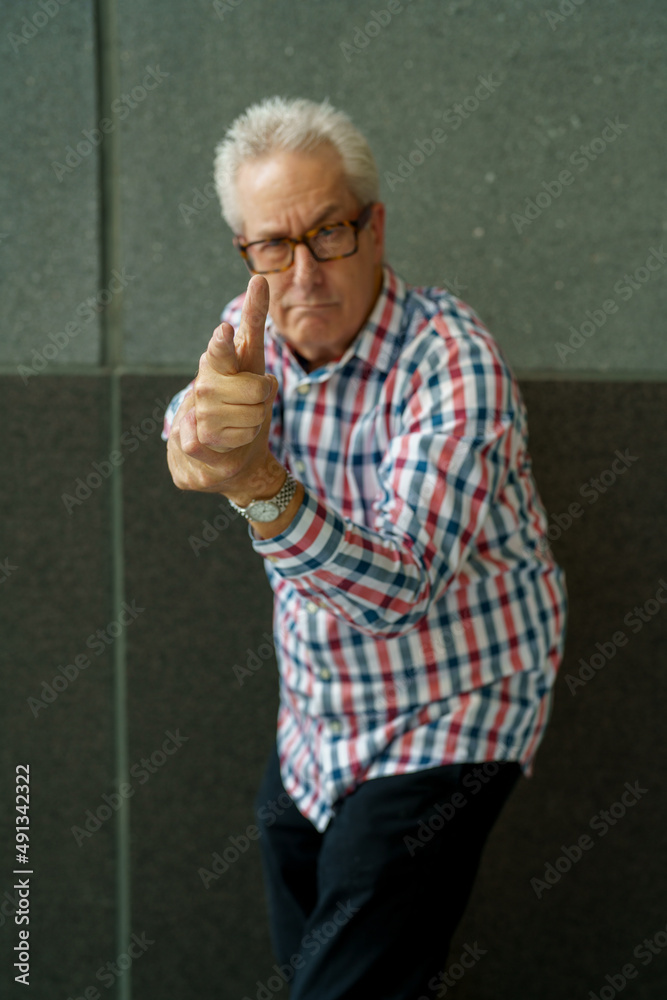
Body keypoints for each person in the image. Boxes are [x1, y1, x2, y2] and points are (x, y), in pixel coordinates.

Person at [162, 96, 568, 999]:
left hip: (454, 699)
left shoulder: (453, 359)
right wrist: (192, 439)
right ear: (247, 251)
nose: (301, 273)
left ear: (374, 227)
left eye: (329, 233)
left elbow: (403, 591)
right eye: (272, 245)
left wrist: (256, 480)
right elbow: (194, 415)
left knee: (343, 985)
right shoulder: (252, 327)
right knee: (313, 967)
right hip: (315, 713)